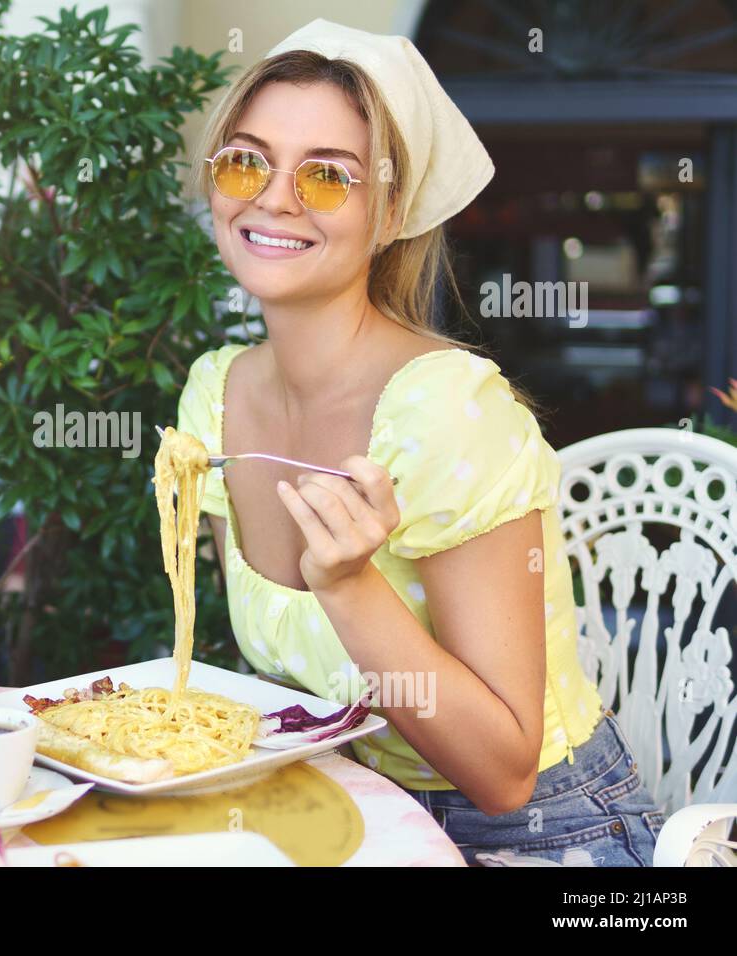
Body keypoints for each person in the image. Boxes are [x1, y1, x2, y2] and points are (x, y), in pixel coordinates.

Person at [176, 19, 664, 865]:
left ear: (391, 210)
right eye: (248, 159)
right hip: (347, 803)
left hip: (536, 832)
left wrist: (352, 588)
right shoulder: (215, 397)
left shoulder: (448, 412)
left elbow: (502, 771)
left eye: (329, 176)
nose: (274, 197)